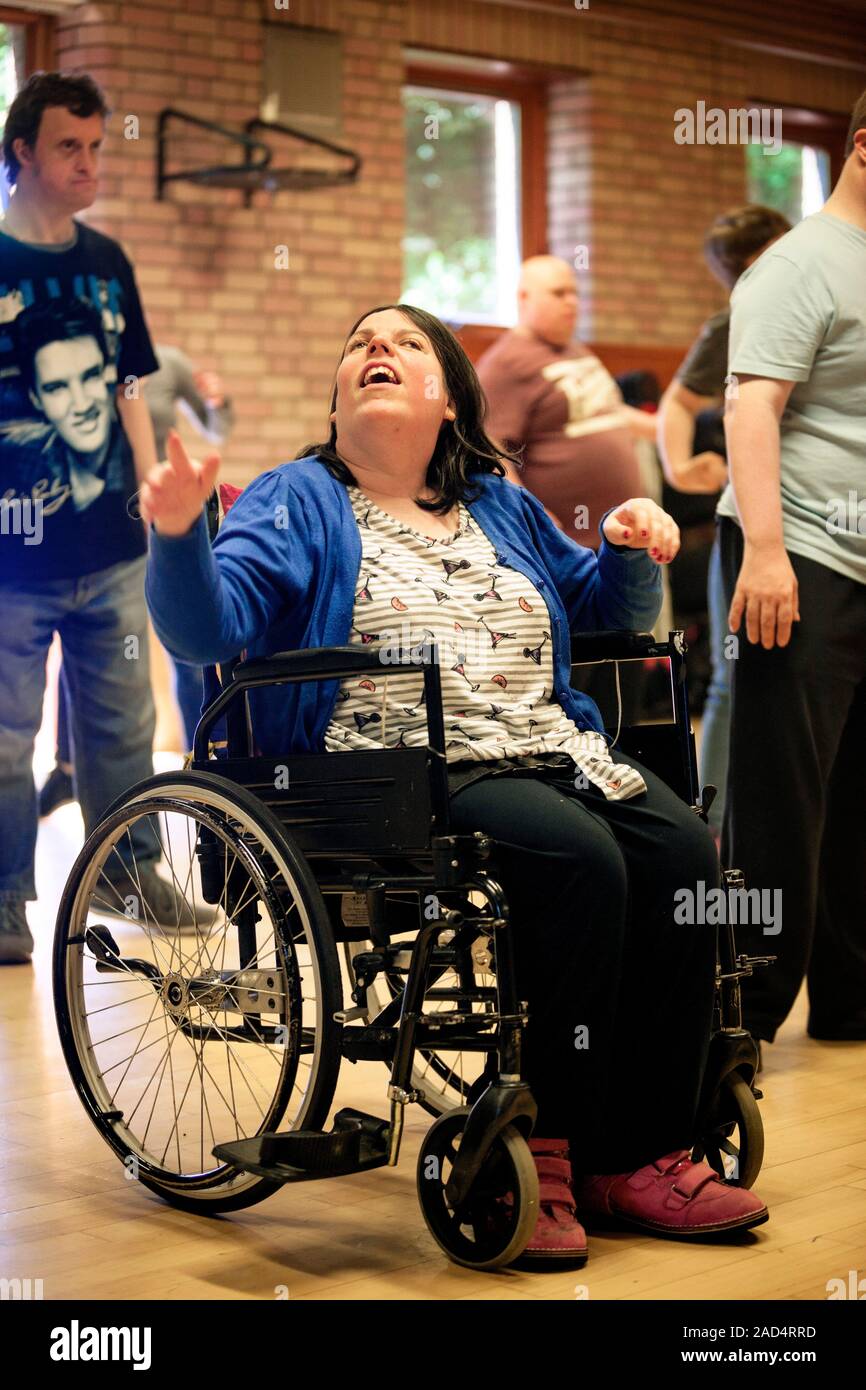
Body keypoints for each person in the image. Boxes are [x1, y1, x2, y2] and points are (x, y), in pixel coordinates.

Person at [143, 302, 768, 1263]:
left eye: (403, 341)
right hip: (396, 770)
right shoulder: (295, 498)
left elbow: (601, 610)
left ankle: (640, 1154)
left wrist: (633, 548)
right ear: (341, 394)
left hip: (550, 746)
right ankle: (555, 1149)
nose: (374, 349)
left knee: (684, 851)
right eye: (358, 343)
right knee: (578, 861)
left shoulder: (500, 504)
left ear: (450, 399)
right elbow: (209, 630)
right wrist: (181, 534)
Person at [0, 71, 191, 964]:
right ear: (23, 151)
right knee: (7, 738)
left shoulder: (109, 262)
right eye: (69, 146)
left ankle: (127, 875)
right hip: (11, 554)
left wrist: (153, 491)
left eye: (97, 146)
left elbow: (130, 388)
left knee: (121, 731)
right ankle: (5, 901)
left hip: (111, 542)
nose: (88, 163)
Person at [720, 92, 866, 1055]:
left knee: (858, 794)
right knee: (783, 795)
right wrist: (767, 552)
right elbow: (749, 406)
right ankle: (744, 1011)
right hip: (798, 553)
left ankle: (853, 998)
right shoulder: (802, 261)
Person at [38, 343, 234, 817]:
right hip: (98, 524)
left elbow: (215, 429)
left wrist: (218, 403)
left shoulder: (170, 365)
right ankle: (68, 769)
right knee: (87, 643)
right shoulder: (76, 368)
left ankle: (205, 767)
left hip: (163, 520)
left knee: (187, 646)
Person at [476, 255, 658, 725]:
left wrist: (675, 436)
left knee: (629, 673)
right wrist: (533, 515)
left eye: (575, 292)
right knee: (589, 690)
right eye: (558, 293)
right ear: (523, 299)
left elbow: (614, 417)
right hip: (569, 553)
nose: (571, 303)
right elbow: (489, 449)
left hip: (621, 544)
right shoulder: (506, 363)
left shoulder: (577, 351)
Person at [656, 206, 790, 838]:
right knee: (732, 683)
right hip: (756, 519)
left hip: (824, 520)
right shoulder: (736, 319)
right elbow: (677, 405)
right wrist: (681, 469)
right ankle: (707, 830)